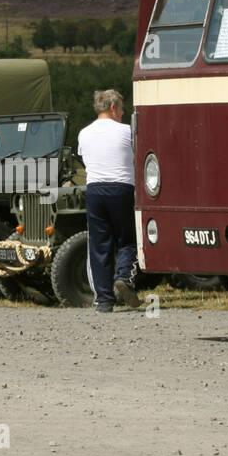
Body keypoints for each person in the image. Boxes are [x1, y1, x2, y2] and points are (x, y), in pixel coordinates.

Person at [77, 89, 138, 312]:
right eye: (121, 108)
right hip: (122, 188)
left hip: (94, 190)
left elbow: (85, 160)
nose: (123, 112)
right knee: (127, 238)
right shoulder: (127, 131)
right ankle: (124, 277)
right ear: (113, 107)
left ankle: (103, 300)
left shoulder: (84, 133)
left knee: (99, 245)